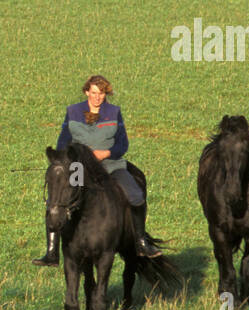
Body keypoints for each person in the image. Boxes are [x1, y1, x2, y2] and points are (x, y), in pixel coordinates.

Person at [32, 74, 161, 265]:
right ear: (86, 92)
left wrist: (106, 153)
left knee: (135, 195)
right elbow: (63, 141)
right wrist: (64, 160)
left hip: (109, 165)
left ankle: (141, 242)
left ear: (105, 94)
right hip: (78, 167)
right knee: (57, 199)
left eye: (101, 93)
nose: (97, 97)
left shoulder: (114, 112)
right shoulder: (73, 112)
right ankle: (51, 252)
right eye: (93, 93)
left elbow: (122, 144)